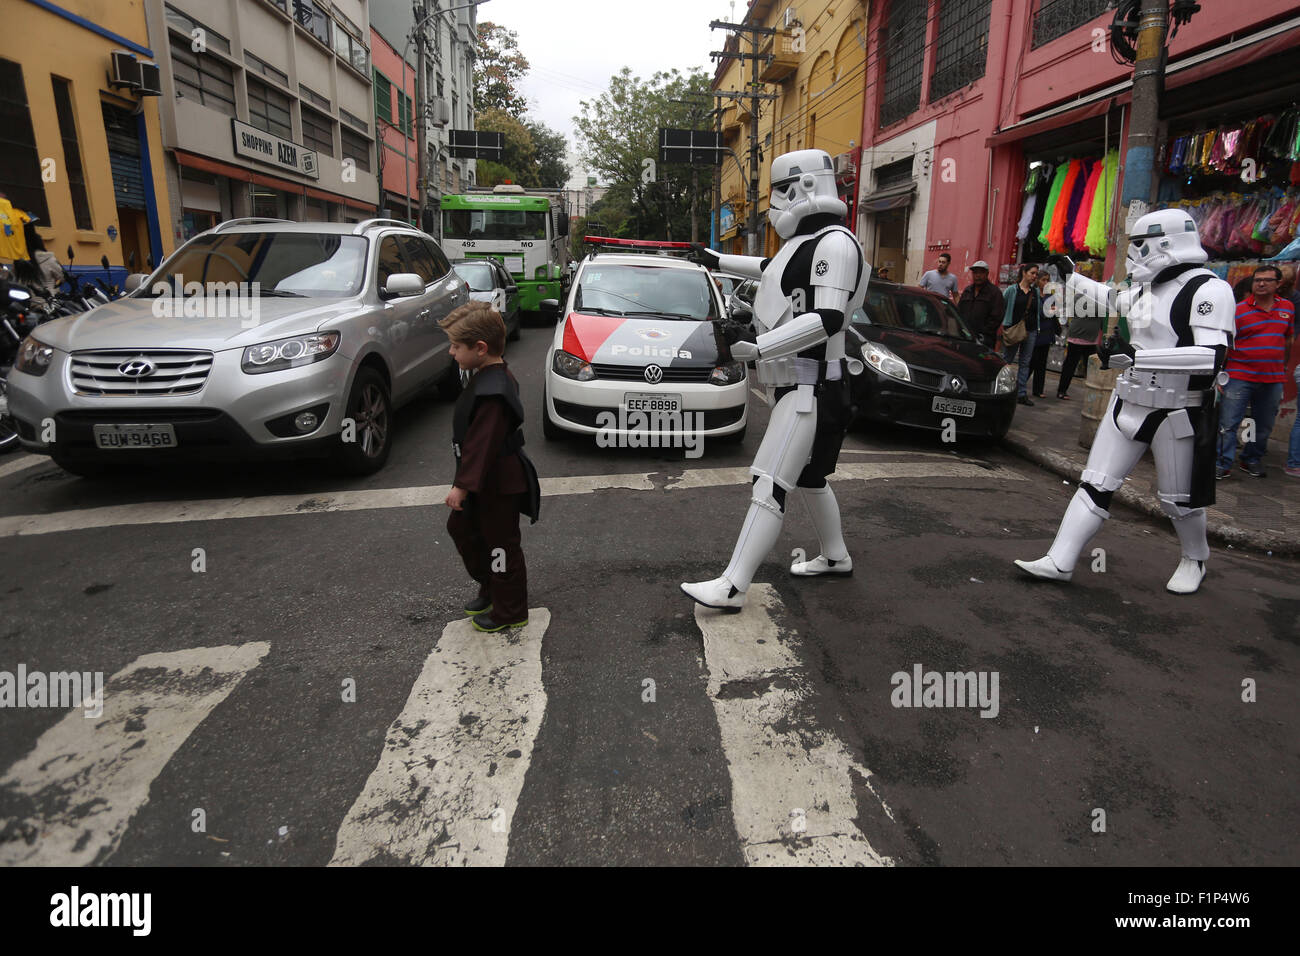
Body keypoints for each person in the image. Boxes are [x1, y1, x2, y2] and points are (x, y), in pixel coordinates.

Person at [682, 148, 868, 611]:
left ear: (805, 187)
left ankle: (732, 585)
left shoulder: (836, 243)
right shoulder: (806, 246)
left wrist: (759, 347)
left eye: (781, 191)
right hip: (800, 384)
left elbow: (828, 318)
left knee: (770, 481)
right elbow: (771, 271)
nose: (775, 203)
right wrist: (713, 259)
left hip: (813, 385)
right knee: (810, 478)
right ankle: (835, 555)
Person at [1015, 208, 1236, 595]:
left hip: (1177, 407)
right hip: (1128, 401)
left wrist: (1139, 357)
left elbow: (1211, 356)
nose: (1133, 255)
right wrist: (1072, 275)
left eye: (1139, 246)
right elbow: (1114, 298)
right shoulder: (1148, 289)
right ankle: (1060, 560)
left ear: (1165, 244)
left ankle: (1194, 557)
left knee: (1178, 501)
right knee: (1094, 483)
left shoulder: (1210, 290)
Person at [440, 300, 540, 632]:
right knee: (464, 530)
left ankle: (510, 610)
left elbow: (482, 445)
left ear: (480, 348)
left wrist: (461, 486)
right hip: (484, 479)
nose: (452, 352)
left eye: (456, 346)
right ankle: (492, 587)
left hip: (497, 483)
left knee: (500, 545)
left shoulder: (494, 391)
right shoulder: (487, 375)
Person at [1215, 264, 1295, 479]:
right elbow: (1227, 344)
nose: (1260, 283)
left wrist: (1283, 366)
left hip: (1273, 377)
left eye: (1267, 280)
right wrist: (1219, 375)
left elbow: (1288, 338)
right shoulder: (1239, 310)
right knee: (1229, 423)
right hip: (1239, 376)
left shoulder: (1287, 308)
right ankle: (1222, 463)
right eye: (1257, 279)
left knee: (1262, 424)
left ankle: (1251, 458)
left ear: (1278, 284)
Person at [1056, 284, 1106, 400]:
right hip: (1078, 337)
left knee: (1091, 368)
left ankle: (1093, 393)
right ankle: (1062, 390)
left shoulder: (1099, 300)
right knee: (1070, 365)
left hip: (1092, 339)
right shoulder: (1079, 297)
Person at [1000, 263, 1040, 405]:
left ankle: (1021, 393)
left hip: (1031, 330)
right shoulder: (1012, 290)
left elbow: (1037, 312)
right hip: (1014, 330)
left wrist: (1038, 327)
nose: (1034, 276)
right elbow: (1002, 307)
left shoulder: (1035, 292)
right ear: (1024, 273)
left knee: (1025, 362)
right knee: (1006, 360)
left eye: (1036, 274)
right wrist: (1004, 325)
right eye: (1032, 273)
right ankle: (1002, 389)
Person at [1028, 270, 1060, 399]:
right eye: (1043, 280)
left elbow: (1054, 311)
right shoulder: (1033, 294)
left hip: (1046, 332)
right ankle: (1020, 386)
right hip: (1034, 331)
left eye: (1048, 280)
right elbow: (1042, 312)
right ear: (1038, 281)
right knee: (1030, 362)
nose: (1046, 283)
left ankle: (1038, 389)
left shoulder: (1049, 296)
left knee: (1041, 363)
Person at [957, 261, 1002, 348]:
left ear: (987, 274)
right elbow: (959, 311)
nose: (978, 275)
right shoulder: (967, 291)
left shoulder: (995, 293)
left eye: (981, 272)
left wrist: (984, 333)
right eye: (975, 272)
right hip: (965, 337)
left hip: (984, 340)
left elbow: (996, 317)